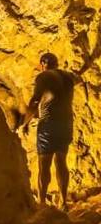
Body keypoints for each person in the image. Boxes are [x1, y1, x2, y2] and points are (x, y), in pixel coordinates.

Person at [26, 52, 78, 208]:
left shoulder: (44, 76)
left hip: (49, 124)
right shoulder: (69, 77)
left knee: (44, 164)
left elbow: (35, 100)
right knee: (61, 161)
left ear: (43, 63)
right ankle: (64, 202)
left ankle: (41, 203)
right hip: (66, 124)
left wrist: (25, 123)